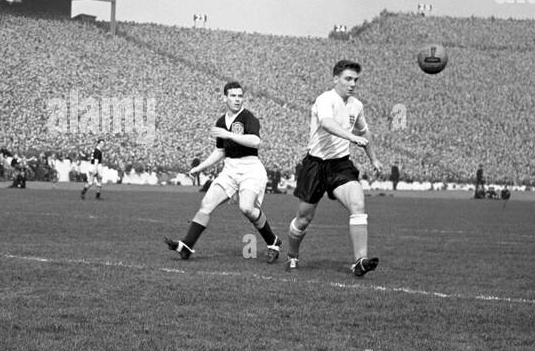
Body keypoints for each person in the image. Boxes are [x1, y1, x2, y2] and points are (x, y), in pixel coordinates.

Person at [163, 81, 281, 262]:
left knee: (247, 208)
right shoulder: (220, 121)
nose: (237, 99)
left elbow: (256, 141)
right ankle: (187, 246)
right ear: (224, 98)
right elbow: (220, 151)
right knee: (206, 204)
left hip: (250, 168)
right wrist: (199, 168)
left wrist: (230, 135)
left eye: (240, 96)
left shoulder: (248, 117)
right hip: (230, 168)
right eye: (233, 96)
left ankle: (273, 241)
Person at [285, 60, 382, 276]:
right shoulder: (325, 99)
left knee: (358, 203)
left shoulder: (356, 105)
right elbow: (327, 124)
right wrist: (351, 137)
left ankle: (360, 261)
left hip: (340, 165)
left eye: (356, 80)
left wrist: (374, 159)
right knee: (304, 218)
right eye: (348, 79)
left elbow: (365, 132)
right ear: (335, 79)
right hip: (315, 165)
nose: (353, 84)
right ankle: (292, 255)